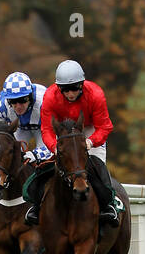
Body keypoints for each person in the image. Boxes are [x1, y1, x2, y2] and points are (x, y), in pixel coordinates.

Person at [23, 60, 119, 228]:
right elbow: (46, 129)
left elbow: (105, 127)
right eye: (65, 90)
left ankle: (108, 205)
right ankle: (36, 206)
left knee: (96, 166)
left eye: (74, 88)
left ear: (82, 85)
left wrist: (90, 142)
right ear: (58, 88)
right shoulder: (50, 97)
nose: (70, 94)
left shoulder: (96, 94)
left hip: (88, 129)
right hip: (64, 132)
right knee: (47, 166)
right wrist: (54, 147)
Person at [0, 71, 52, 163]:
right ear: (7, 100)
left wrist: (36, 154)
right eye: (13, 101)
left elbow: (56, 138)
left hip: (44, 129)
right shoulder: (0, 107)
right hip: (19, 129)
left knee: (45, 160)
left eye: (22, 100)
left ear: (30, 96)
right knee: (12, 157)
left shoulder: (44, 101)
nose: (18, 106)